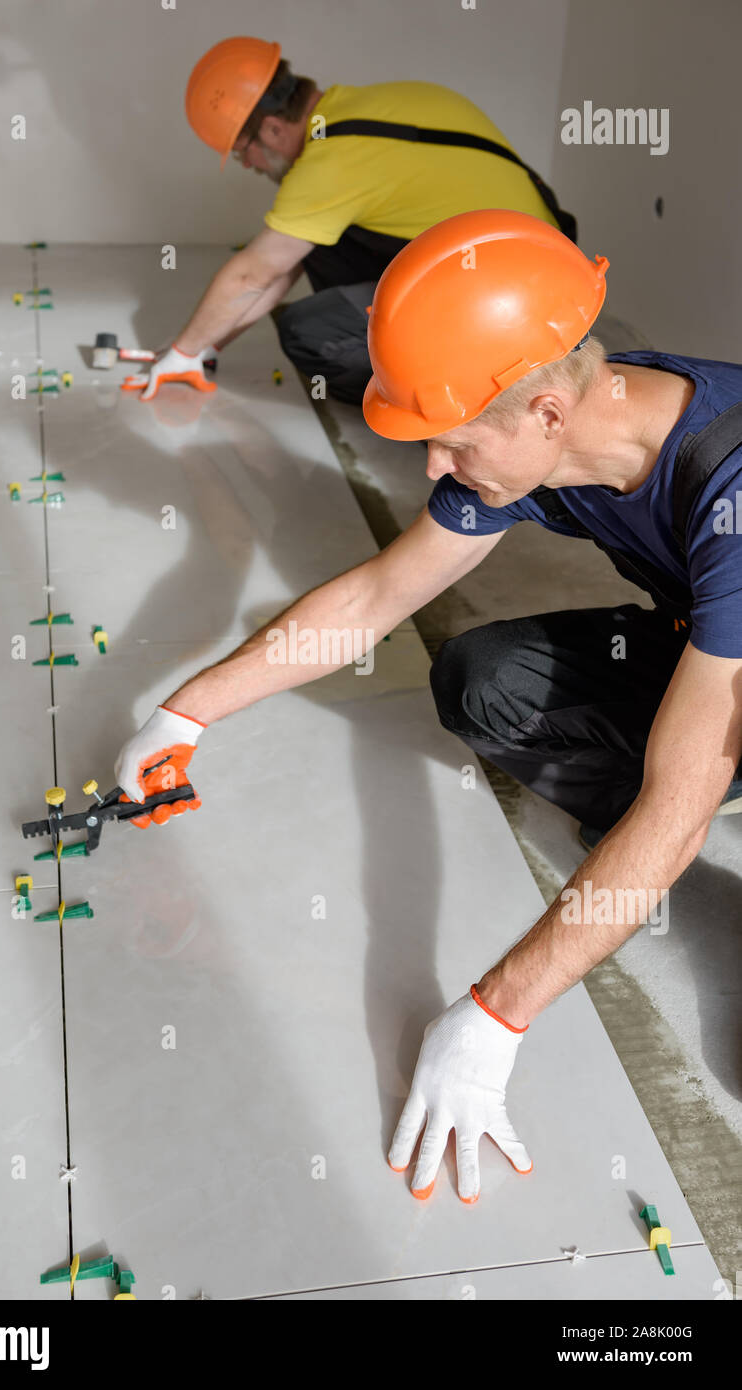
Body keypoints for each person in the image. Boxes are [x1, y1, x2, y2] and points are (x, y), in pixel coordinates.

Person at [114, 210, 742, 1204]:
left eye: (450, 445)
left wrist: (496, 1014)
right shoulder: (559, 414)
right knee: (483, 682)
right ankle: (638, 852)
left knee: (683, 821)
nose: (436, 472)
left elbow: (679, 801)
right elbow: (374, 597)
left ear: (542, 412)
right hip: (716, 649)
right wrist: (186, 713)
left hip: (730, 646)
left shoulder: (729, 488)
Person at [127, 35, 573, 406]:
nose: (248, 165)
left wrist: (181, 351)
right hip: (551, 277)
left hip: (517, 310)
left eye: (243, 151)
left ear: (272, 130)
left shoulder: (331, 163)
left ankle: (464, 408)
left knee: (310, 332)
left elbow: (254, 271)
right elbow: (279, 270)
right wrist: (202, 348)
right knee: (320, 242)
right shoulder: (390, 102)